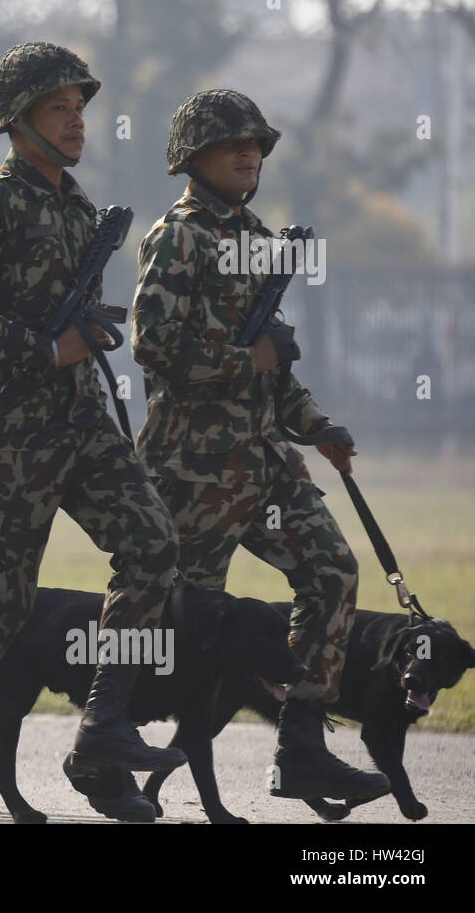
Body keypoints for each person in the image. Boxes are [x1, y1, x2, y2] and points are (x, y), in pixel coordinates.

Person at [0, 42, 185, 824]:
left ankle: (102, 731)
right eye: (59, 108)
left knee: (154, 546)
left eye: (80, 107)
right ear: (19, 123)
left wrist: (88, 332)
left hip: (80, 423)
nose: (77, 120)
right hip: (8, 438)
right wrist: (43, 347)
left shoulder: (78, 207)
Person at [131, 88, 388, 803]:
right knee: (185, 628)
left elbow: (277, 367)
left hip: (266, 467)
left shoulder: (259, 237)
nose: (248, 154)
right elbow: (154, 347)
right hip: (193, 472)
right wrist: (252, 362)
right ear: (193, 157)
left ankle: (301, 741)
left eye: (256, 145)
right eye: (230, 144)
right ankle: (116, 754)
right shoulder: (177, 236)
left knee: (333, 572)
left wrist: (317, 426)